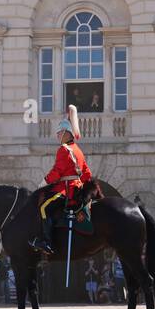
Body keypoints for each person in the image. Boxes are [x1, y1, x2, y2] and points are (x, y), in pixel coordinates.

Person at [32, 105, 93, 255]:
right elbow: (87, 174)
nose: (57, 136)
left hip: (66, 190)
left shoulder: (64, 149)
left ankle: (47, 242)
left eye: (59, 133)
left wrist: (43, 182)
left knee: (43, 207)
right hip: (77, 189)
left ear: (66, 133)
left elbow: (57, 172)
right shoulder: (78, 151)